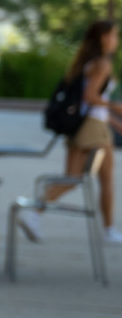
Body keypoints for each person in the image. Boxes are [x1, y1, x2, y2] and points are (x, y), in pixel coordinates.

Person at [19, 19, 122, 243]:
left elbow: (91, 101)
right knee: (105, 180)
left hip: (84, 126)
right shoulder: (102, 63)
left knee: (72, 179)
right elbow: (91, 98)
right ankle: (109, 230)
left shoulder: (85, 62)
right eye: (114, 35)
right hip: (94, 129)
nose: (116, 40)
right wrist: (116, 107)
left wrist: (114, 123)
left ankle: (34, 213)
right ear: (104, 37)